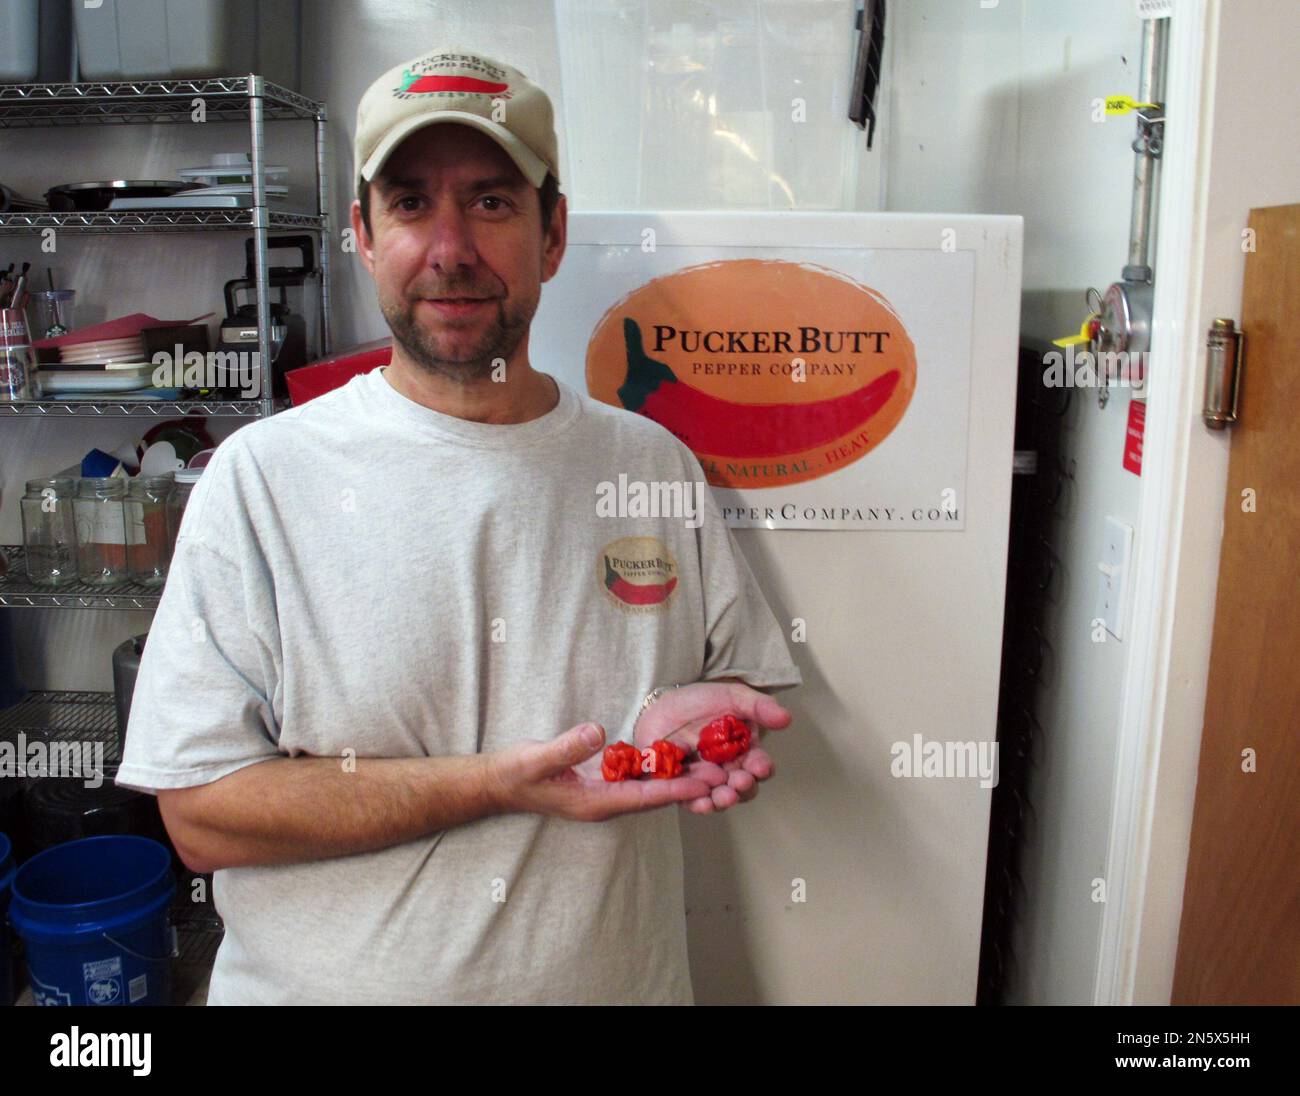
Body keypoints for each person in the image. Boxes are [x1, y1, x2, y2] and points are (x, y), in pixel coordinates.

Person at [116, 47, 802, 1005]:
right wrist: (495, 781)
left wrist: (685, 716)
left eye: (490, 202)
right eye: (408, 204)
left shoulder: (649, 465)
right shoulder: (261, 480)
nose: (449, 249)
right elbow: (202, 814)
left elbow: (720, 680)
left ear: (552, 234)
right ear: (361, 233)